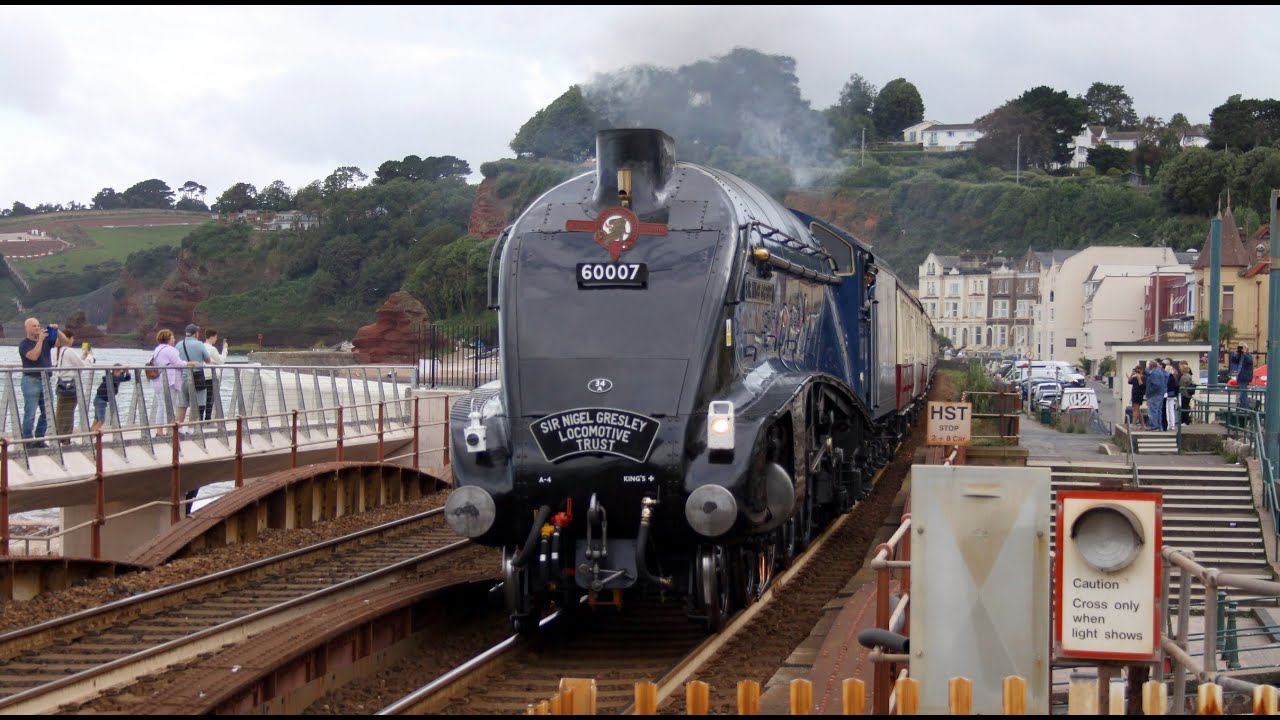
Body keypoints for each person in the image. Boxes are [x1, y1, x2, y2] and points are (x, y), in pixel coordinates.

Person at [18, 317, 67, 448]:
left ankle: (39, 439)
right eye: (34, 326)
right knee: (30, 414)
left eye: (38, 325)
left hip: (46, 381)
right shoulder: (24, 344)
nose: (37, 327)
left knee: (47, 412)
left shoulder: (46, 341)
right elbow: (33, 356)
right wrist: (40, 340)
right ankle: (27, 442)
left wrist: (57, 330)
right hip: (31, 381)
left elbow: (65, 342)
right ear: (27, 328)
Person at [53, 330, 95, 445]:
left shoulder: (57, 351)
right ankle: (65, 440)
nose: (73, 340)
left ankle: (59, 437)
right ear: (68, 338)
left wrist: (82, 356)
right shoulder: (68, 350)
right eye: (72, 338)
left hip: (60, 385)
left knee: (61, 412)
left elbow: (70, 363)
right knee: (68, 412)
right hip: (70, 386)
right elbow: (83, 366)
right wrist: (90, 357)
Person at [150, 329, 185, 437]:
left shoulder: (157, 349)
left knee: (161, 406)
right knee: (170, 406)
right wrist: (189, 363)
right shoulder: (171, 350)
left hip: (157, 382)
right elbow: (178, 363)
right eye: (172, 336)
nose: (174, 339)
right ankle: (170, 431)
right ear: (168, 338)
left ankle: (159, 431)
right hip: (170, 381)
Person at [174, 324, 211, 429]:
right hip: (197, 378)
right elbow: (207, 360)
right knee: (196, 405)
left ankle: (178, 429)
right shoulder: (199, 344)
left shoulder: (179, 344)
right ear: (195, 334)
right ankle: (191, 429)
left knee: (182, 405)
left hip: (181, 378)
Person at [91, 365, 132, 432]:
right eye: (117, 371)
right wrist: (123, 371)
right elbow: (119, 378)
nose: (119, 372)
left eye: (119, 370)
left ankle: (90, 437)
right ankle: (92, 436)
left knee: (97, 419)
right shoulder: (111, 378)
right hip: (100, 400)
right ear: (113, 371)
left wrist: (126, 371)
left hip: (99, 400)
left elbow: (127, 378)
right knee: (101, 420)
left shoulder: (115, 377)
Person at [201, 328, 228, 421]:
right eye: (216, 337)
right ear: (211, 337)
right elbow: (221, 361)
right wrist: (225, 349)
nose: (216, 339)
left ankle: (199, 419)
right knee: (209, 399)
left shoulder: (201, 346)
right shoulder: (212, 349)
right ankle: (208, 419)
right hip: (211, 377)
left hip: (201, 376)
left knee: (201, 398)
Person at [1144, 359, 1167, 431]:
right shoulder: (1160, 372)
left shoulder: (1154, 373)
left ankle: (1154, 426)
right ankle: (1159, 426)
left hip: (1154, 395)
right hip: (1161, 394)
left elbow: (1155, 384)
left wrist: (1150, 392)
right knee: (1159, 411)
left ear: (1150, 366)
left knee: (1153, 410)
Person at [1236, 342, 1254, 409]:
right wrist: (1236, 353)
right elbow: (1234, 361)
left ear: (1246, 348)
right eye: (1240, 347)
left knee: (1242, 395)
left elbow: (1250, 361)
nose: (1241, 349)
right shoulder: (1240, 356)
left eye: (1242, 347)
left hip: (1245, 377)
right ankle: (1244, 408)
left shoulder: (1248, 355)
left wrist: (1245, 353)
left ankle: (1245, 409)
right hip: (1240, 377)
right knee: (1243, 394)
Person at [1164, 359, 1180, 431]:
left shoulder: (1165, 377)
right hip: (1172, 394)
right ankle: (1172, 425)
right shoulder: (1173, 377)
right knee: (1171, 409)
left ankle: (1168, 425)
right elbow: (1176, 386)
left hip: (1166, 394)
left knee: (1167, 409)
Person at [1179, 361, 1196, 425]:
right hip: (1188, 394)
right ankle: (1186, 421)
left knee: (1184, 408)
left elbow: (1182, 386)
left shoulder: (1184, 377)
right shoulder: (1189, 376)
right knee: (1186, 407)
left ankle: (1185, 421)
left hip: (1184, 395)